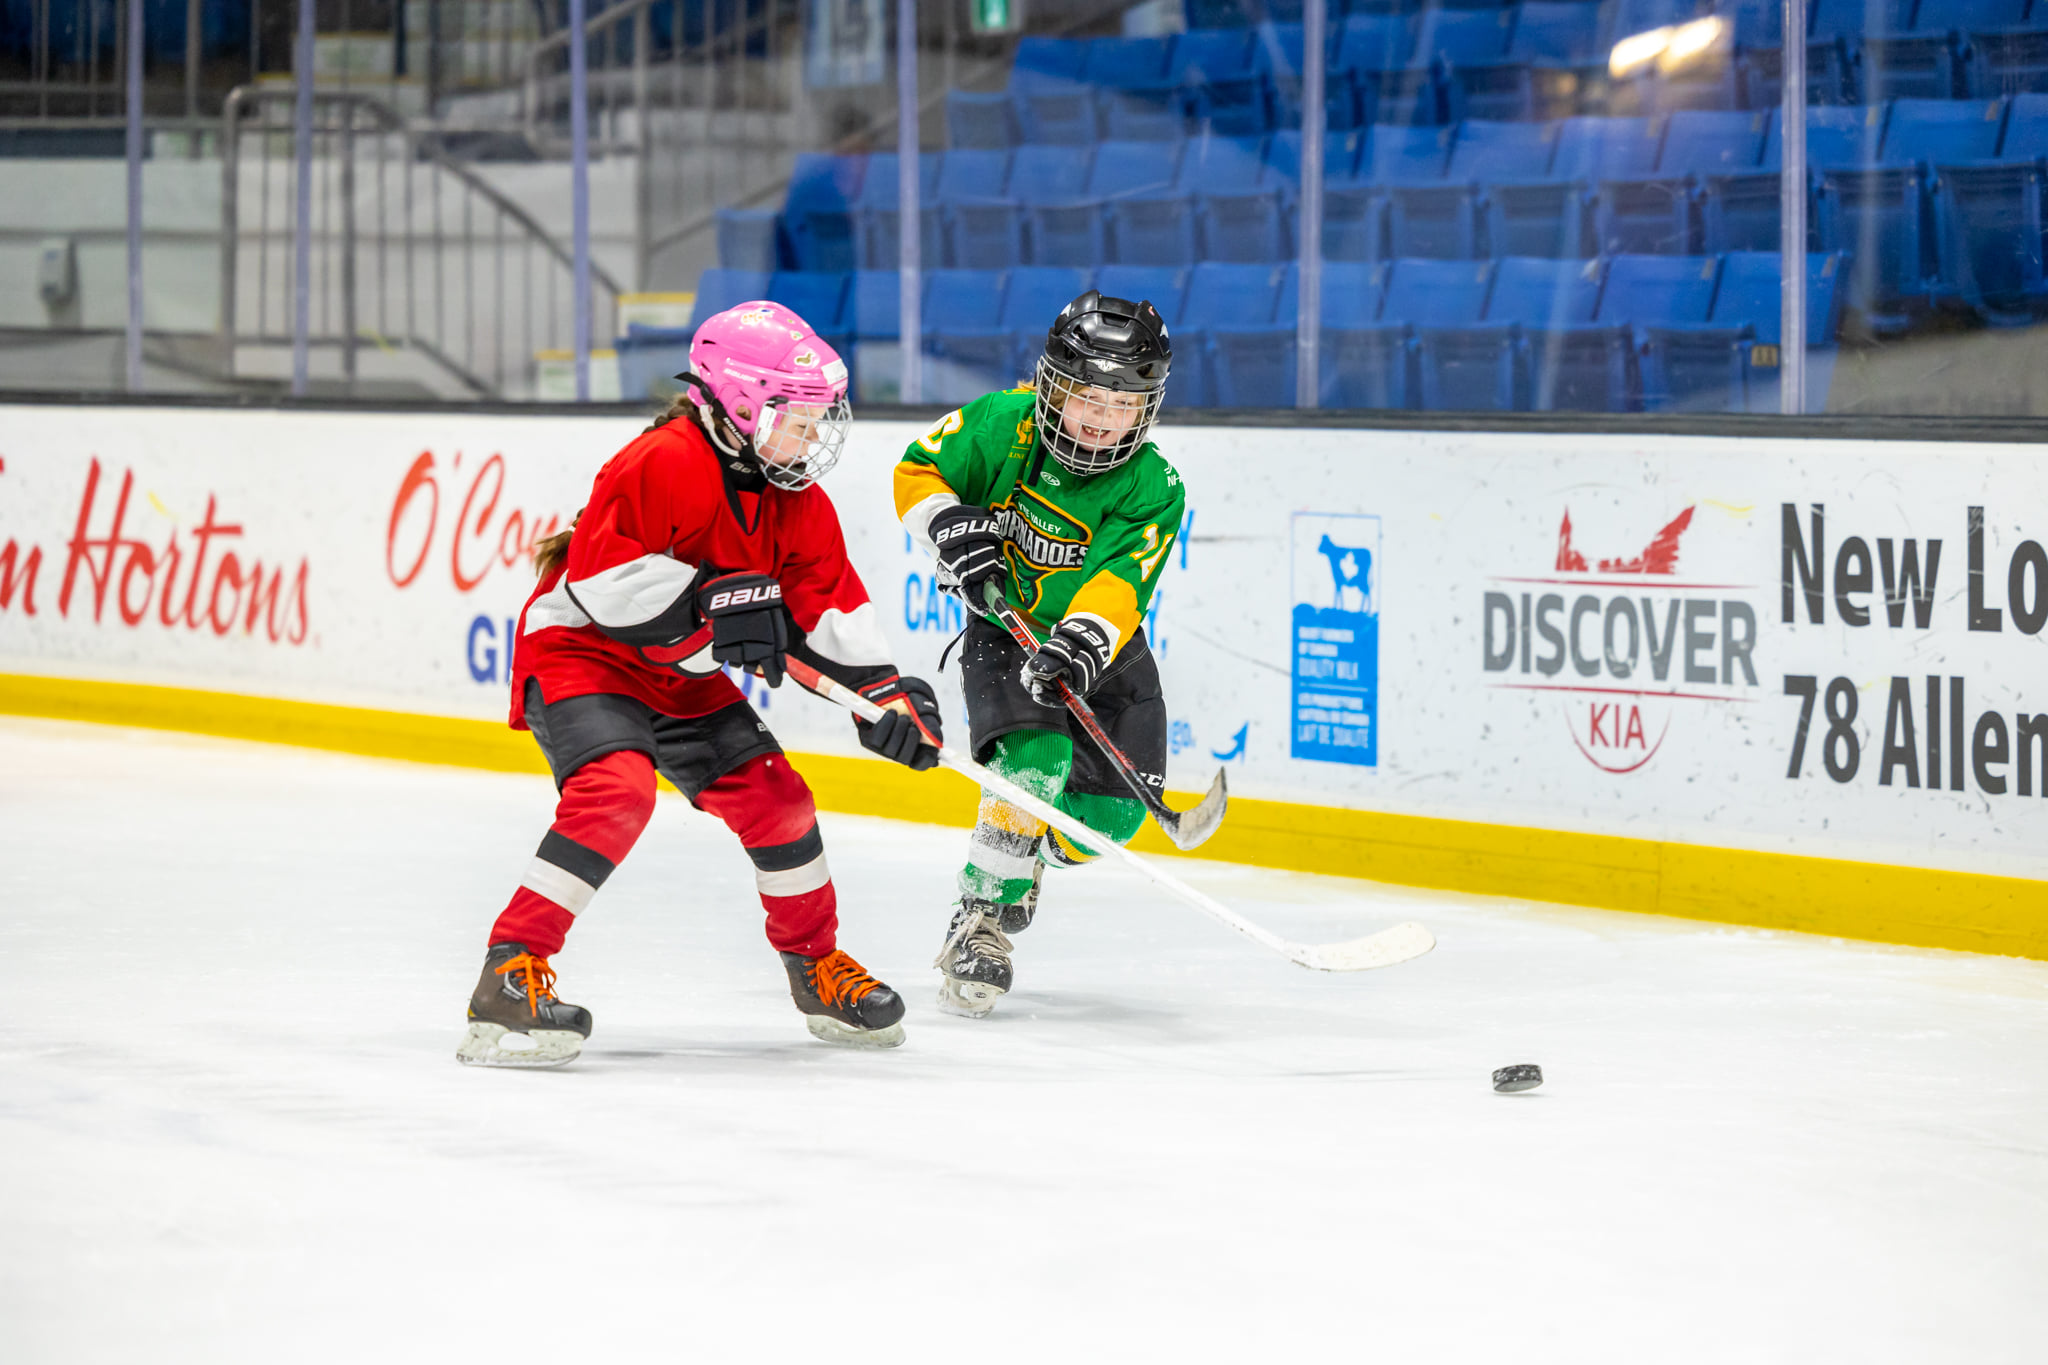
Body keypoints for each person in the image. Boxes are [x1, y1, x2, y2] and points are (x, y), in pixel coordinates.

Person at [458, 300, 942, 1067]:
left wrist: (885, 698)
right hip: (586, 655)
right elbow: (603, 582)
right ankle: (509, 970)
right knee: (617, 791)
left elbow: (829, 613)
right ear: (742, 404)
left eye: (818, 419)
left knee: (781, 801)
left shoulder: (799, 504)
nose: (813, 436)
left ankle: (815, 966)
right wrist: (713, 600)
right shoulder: (664, 460)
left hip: (681, 678)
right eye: (797, 419)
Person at [894, 290, 1184, 1017]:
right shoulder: (1002, 423)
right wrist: (948, 524)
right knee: (1036, 763)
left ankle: (1024, 861)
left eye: (1124, 405)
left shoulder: (1155, 486)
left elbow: (1123, 582)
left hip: (1101, 644)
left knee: (1110, 821)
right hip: (1005, 626)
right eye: (1089, 398)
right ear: (1053, 385)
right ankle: (981, 917)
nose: (1103, 419)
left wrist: (1082, 640)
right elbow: (917, 470)